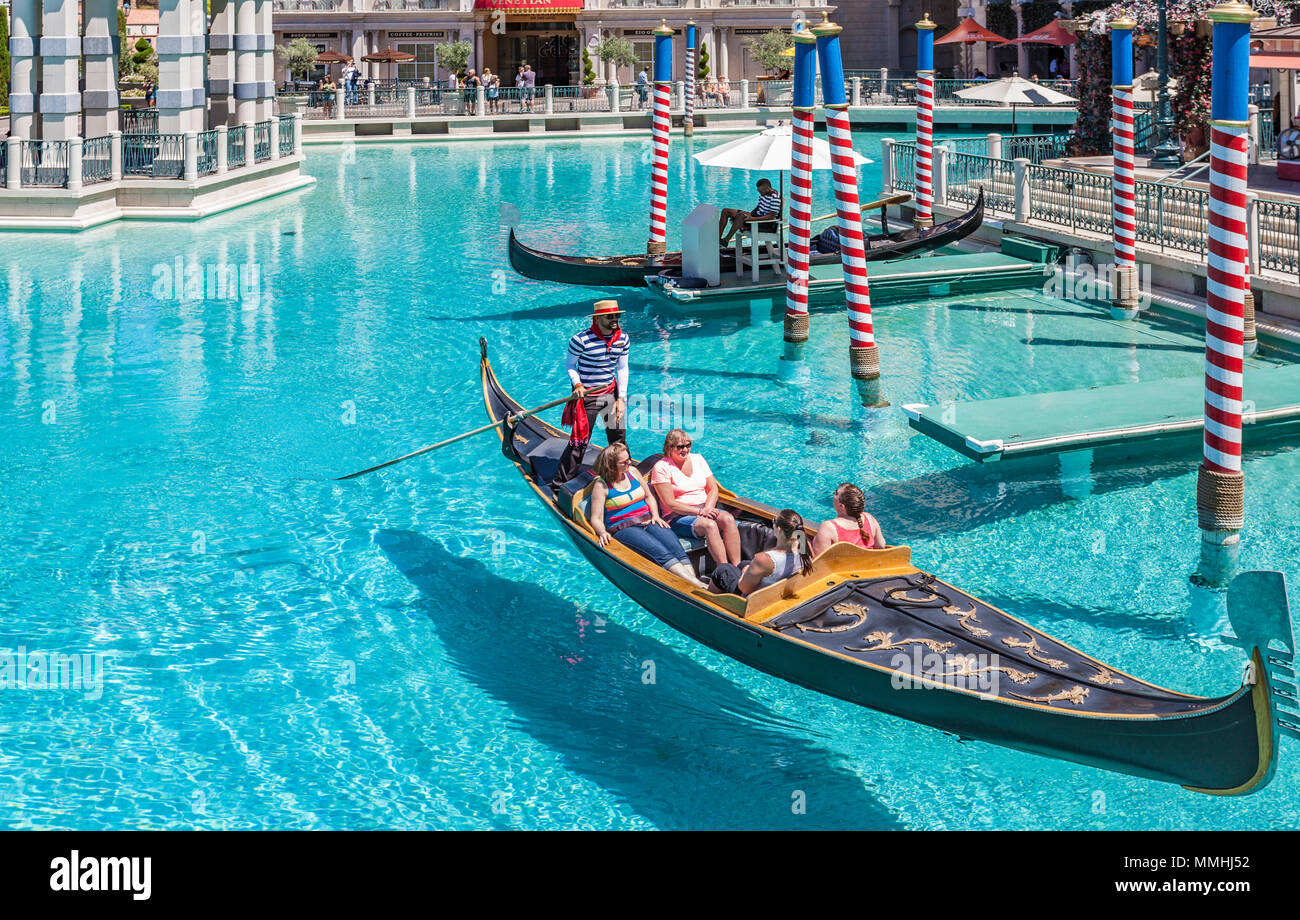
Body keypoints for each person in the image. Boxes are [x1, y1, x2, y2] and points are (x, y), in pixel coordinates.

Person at [589, 444, 710, 590]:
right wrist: (602, 532)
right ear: (611, 465)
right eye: (624, 462)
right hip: (624, 527)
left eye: (628, 459)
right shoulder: (601, 485)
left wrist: (656, 515)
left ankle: (694, 583)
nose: (629, 463)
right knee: (660, 551)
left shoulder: (633, 472)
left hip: (647, 519)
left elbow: (648, 497)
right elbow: (596, 518)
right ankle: (696, 586)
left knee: (676, 548)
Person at [551, 300, 629, 490]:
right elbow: (570, 365)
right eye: (610, 316)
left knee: (618, 438)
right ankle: (559, 485)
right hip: (588, 396)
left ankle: (622, 474)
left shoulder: (623, 338)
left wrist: (621, 399)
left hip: (611, 393)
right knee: (579, 442)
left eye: (617, 315)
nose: (615, 319)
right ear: (597, 318)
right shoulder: (580, 340)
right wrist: (577, 384)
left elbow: (622, 368)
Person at [650, 430, 741, 568]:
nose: (685, 449)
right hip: (678, 516)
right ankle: (725, 571)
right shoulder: (661, 467)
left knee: (728, 519)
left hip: (704, 508)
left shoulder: (698, 459)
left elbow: (713, 488)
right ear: (669, 447)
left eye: (688, 445)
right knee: (709, 525)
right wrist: (700, 512)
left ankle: (737, 566)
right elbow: (670, 504)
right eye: (680, 447)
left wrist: (708, 508)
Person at [724, 509, 814, 597]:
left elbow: (745, 589)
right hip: (781, 591)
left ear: (779, 530)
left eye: (774, 521)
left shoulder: (765, 559)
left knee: (724, 569)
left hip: (759, 600)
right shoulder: (804, 545)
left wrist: (744, 572)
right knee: (743, 563)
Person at [812, 483, 886, 556]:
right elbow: (881, 546)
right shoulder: (869, 518)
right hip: (869, 562)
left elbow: (819, 560)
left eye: (836, 493)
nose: (833, 493)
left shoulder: (829, 527)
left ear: (842, 506)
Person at [719, 178, 782, 246]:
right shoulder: (763, 194)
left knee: (741, 215)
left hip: (764, 223)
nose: (760, 193)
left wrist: (752, 218)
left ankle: (726, 240)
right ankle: (717, 239)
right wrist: (750, 214)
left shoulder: (775, 198)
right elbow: (758, 207)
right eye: (758, 191)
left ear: (767, 188)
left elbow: (771, 217)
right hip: (757, 216)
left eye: (761, 191)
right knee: (726, 211)